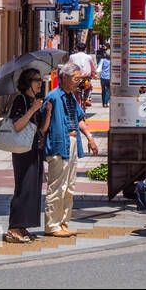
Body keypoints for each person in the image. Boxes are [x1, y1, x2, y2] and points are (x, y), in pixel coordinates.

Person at [42, 62, 98, 238]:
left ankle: (63, 222)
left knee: (69, 187)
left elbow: (80, 118)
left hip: (73, 141)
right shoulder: (53, 97)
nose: (78, 82)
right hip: (59, 144)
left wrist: (90, 137)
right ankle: (52, 225)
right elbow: (43, 126)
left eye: (80, 79)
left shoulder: (71, 97)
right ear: (64, 77)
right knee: (57, 186)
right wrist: (49, 113)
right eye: (76, 78)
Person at [5, 67, 51, 243]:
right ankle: (13, 227)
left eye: (40, 79)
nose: (40, 83)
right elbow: (17, 125)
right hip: (22, 151)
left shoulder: (35, 101)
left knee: (33, 189)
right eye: (36, 79)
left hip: (35, 150)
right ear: (27, 83)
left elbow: (41, 130)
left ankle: (22, 226)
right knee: (23, 188)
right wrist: (32, 109)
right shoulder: (20, 100)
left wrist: (47, 112)